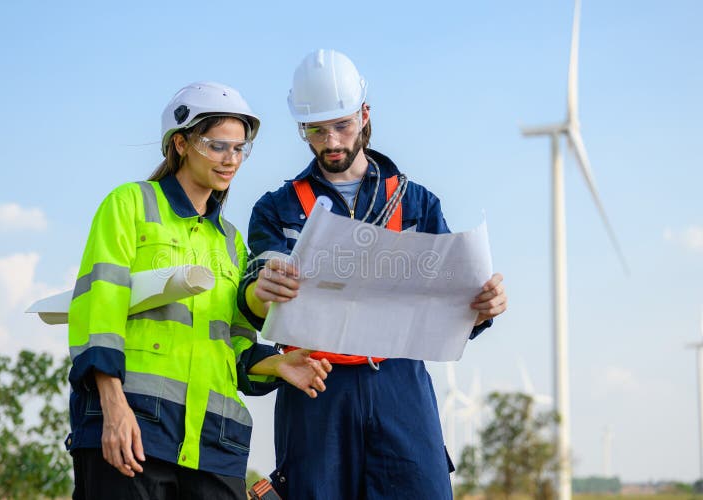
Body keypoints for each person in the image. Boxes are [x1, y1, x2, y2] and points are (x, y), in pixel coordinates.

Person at [236, 50, 508, 499]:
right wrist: (261, 287)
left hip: (400, 386)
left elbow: (454, 304)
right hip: (315, 386)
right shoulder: (275, 209)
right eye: (316, 130)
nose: (331, 141)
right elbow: (254, 292)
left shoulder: (417, 203)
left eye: (341, 125)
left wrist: (482, 310)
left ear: (364, 115)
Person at [66, 81, 331, 500]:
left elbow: (237, 347)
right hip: (135, 430)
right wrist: (113, 406)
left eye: (239, 148)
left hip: (214, 447)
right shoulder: (130, 206)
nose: (231, 160)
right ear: (181, 143)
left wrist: (277, 366)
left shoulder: (232, 243)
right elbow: (99, 307)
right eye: (218, 146)